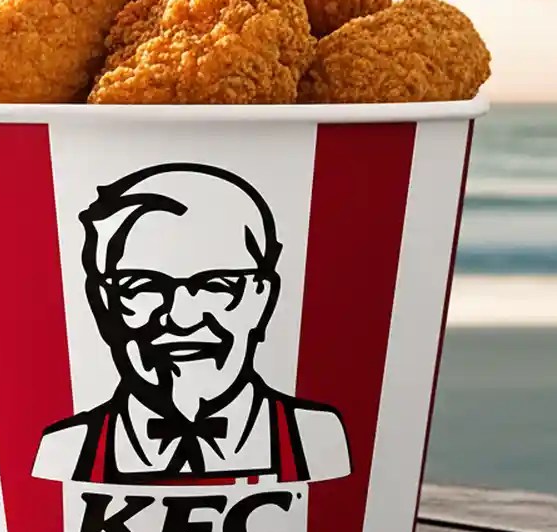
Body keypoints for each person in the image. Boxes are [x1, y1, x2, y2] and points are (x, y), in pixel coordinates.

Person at [33, 163, 350, 485]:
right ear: (103, 305)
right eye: (143, 286)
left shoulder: (315, 438)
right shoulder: (66, 451)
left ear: (262, 299)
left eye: (217, 285)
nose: (183, 319)